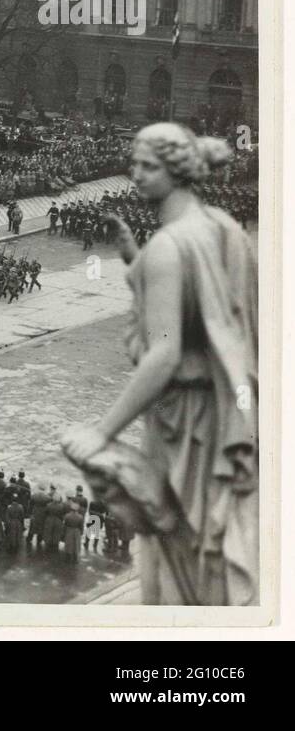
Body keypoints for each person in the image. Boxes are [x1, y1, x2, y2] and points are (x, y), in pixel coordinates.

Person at [62, 124, 258, 606]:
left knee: (175, 551)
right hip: (221, 412)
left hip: (183, 420)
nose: (135, 176)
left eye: (147, 167)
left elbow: (165, 352)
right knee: (207, 537)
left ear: (177, 170)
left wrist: (103, 431)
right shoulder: (223, 227)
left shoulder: (170, 247)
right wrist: (137, 258)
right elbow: (197, 308)